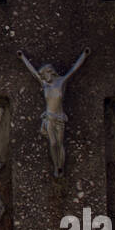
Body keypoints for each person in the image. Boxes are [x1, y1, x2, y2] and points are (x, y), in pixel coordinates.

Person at [18, 47, 90, 177]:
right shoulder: (44, 84)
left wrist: (84, 55)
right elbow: (33, 71)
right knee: (53, 143)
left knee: (60, 143)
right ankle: (56, 166)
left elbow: (74, 69)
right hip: (49, 118)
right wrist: (22, 57)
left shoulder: (61, 81)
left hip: (59, 118)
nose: (42, 77)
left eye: (44, 74)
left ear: (49, 72)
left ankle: (60, 166)